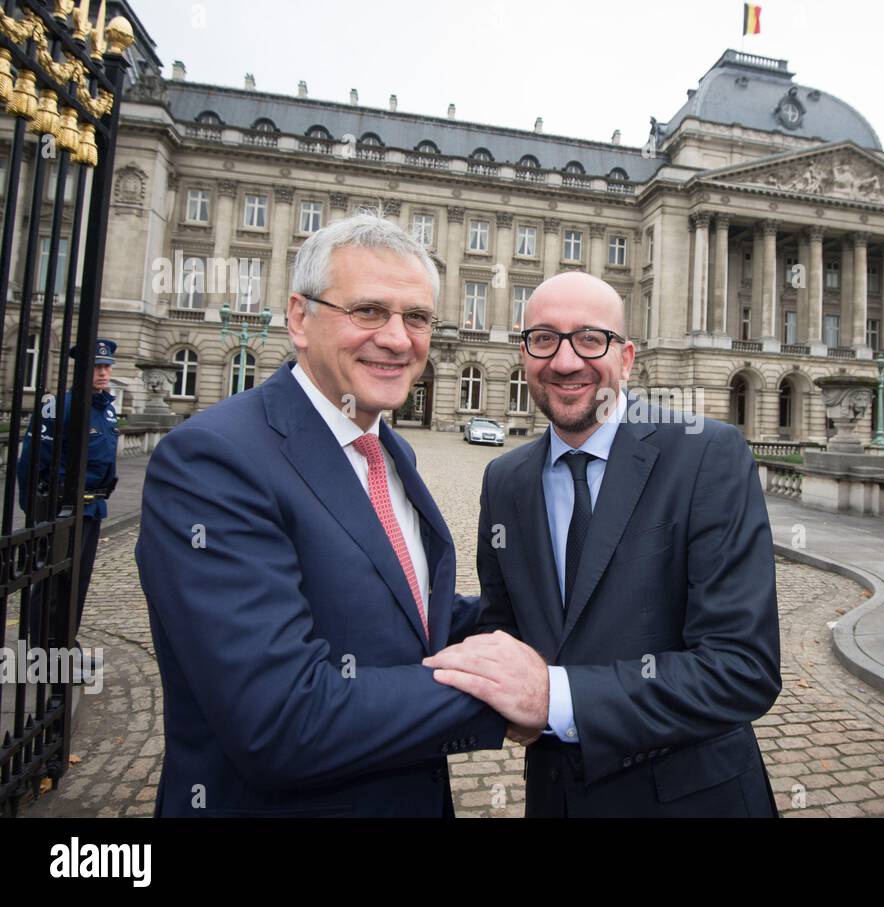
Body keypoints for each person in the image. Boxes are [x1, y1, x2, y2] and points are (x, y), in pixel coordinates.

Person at [135, 215, 506, 817]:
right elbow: (281, 718)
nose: (397, 338)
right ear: (299, 319)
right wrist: (513, 694)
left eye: (416, 317)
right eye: (368, 311)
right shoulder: (213, 460)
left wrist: (545, 630)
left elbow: (403, 615)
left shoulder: (387, 446)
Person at [429, 271, 782, 817]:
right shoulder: (506, 479)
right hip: (557, 799)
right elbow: (507, 627)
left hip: (689, 802)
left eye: (590, 338)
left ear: (626, 357)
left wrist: (555, 699)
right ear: (524, 353)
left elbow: (741, 669)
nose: (565, 361)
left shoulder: (706, 455)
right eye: (543, 338)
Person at [17, 338, 119, 663]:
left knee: (76, 582)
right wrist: (37, 511)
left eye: (107, 367)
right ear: (81, 369)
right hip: (62, 508)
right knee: (51, 581)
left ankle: (64, 646)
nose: (103, 374)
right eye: (97, 367)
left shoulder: (106, 408)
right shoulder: (58, 405)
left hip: (93, 508)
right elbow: (32, 463)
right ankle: (41, 652)